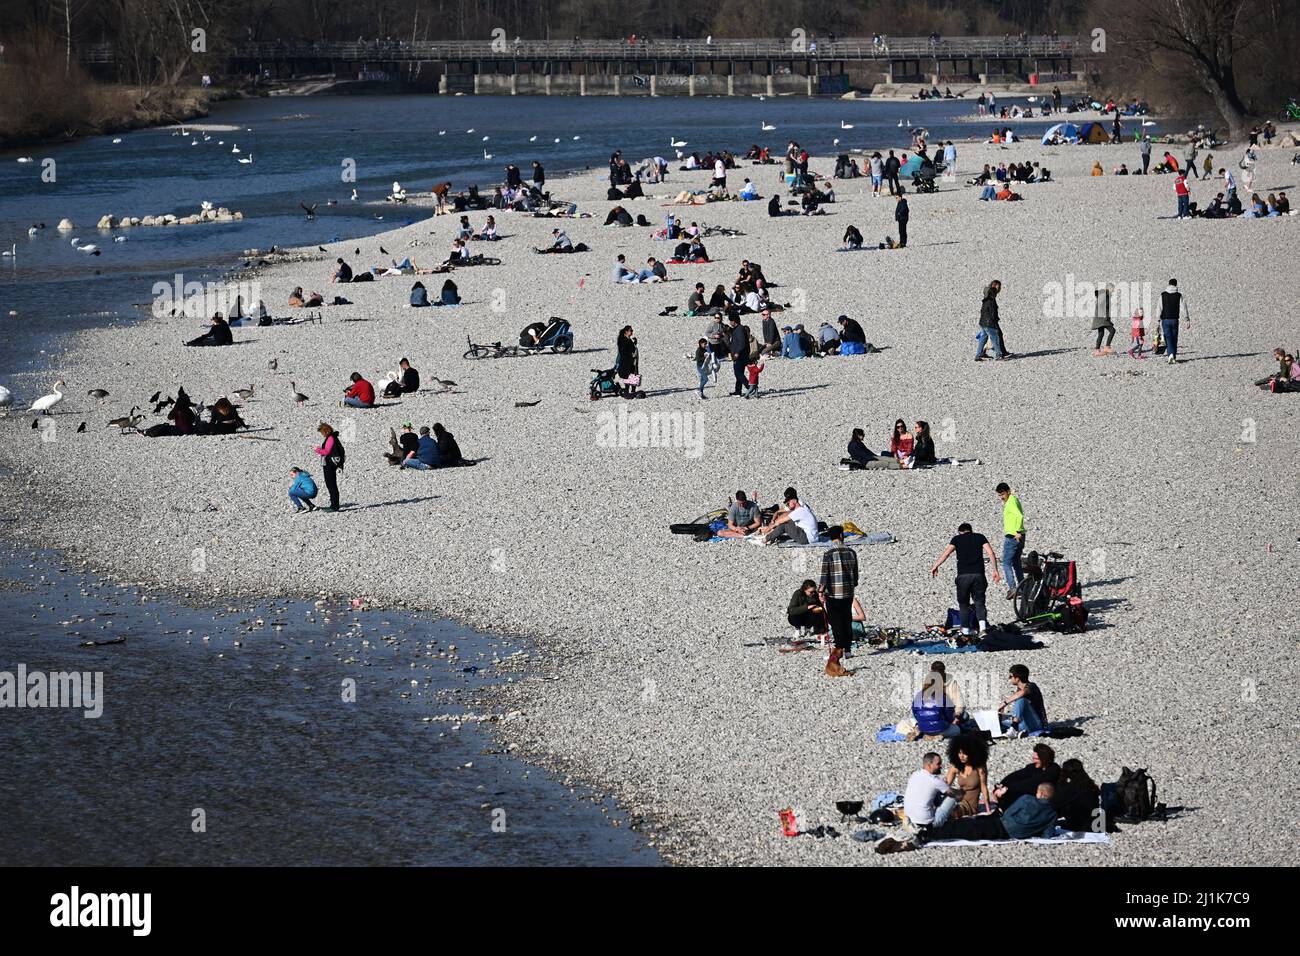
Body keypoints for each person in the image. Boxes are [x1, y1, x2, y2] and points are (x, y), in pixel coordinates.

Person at [912, 782, 1058, 846]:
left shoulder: (1027, 799)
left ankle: (930, 834)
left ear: (1040, 793)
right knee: (971, 827)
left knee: (969, 828)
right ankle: (932, 832)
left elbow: (1010, 812)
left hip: (1004, 826)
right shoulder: (1052, 814)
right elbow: (1048, 834)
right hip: (1012, 833)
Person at [930, 522, 1001, 639]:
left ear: (960, 532)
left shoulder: (956, 539)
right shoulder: (980, 537)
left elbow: (946, 553)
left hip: (963, 576)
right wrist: (995, 571)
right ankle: (983, 629)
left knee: (963, 604)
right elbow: (991, 553)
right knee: (979, 602)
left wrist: (936, 565)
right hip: (978, 575)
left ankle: (966, 631)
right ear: (971, 530)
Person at [818, 525, 858, 677]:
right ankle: (847, 650)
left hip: (833, 593)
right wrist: (852, 585)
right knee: (846, 618)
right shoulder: (851, 552)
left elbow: (824, 576)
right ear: (841, 535)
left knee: (836, 621)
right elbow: (855, 574)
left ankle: (840, 649)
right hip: (848, 592)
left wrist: (820, 591)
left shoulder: (828, 554)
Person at [933, 736, 991, 827]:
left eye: (965, 753)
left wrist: (988, 810)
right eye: (959, 753)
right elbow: (946, 785)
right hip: (957, 798)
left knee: (952, 812)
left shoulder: (979, 767)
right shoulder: (956, 767)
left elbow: (984, 788)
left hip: (969, 805)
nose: (961, 756)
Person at [903, 753, 952, 834]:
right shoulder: (935, 780)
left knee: (935, 792)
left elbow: (927, 788)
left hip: (909, 819)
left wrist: (941, 785)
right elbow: (954, 794)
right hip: (927, 824)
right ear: (929, 765)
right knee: (953, 798)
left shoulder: (915, 775)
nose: (941, 766)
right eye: (938, 764)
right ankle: (952, 817)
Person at [755, 487, 819, 546]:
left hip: (808, 538)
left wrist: (768, 528)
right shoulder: (801, 509)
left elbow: (781, 520)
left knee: (784, 525)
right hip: (811, 536)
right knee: (785, 522)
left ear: (794, 501)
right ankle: (770, 535)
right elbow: (780, 516)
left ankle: (764, 540)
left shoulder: (800, 511)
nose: (787, 505)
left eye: (788, 503)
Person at [999, 663, 1047, 737]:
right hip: (1025, 724)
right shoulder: (1019, 690)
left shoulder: (1031, 686)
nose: (1009, 678)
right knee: (1000, 723)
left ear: (1017, 678)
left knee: (1021, 699)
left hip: (1036, 725)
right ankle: (1017, 731)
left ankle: (1014, 729)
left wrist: (1004, 703)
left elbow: (1022, 693)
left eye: (1011, 676)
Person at [1053, 758, 1102, 831]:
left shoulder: (1072, 787)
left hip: (1082, 825)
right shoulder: (1089, 784)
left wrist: (1061, 782)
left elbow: (1056, 802)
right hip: (1096, 823)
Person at [996, 481, 1025, 597]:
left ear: (1008, 491)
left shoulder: (1012, 501)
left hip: (1013, 536)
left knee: (1006, 563)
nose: (1001, 497)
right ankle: (1022, 587)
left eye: (1003, 494)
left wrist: (1017, 531)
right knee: (1016, 562)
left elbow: (1019, 516)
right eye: (999, 495)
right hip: (1018, 535)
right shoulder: (1013, 500)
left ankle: (1012, 588)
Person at [912, 669, 959, 736]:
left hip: (923, 728)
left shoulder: (919, 695)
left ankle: (922, 732)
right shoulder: (943, 696)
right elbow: (949, 715)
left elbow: (915, 713)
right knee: (956, 729)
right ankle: (938, 735)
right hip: (940, 729)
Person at [1159, 278, 1190, 364]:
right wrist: (1187, 319)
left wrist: (1157, 319)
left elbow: (1159, 308)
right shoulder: (1179, 295)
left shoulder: (1163, 295)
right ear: (1176, 285)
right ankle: (1173, 356)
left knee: (1168, 337)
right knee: (1174, 338)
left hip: (1165, 320)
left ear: (1168, 284)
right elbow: (1184, 307)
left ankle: (1170, 355)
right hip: (1175, 320)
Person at [314, 423, 343, 511]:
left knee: (331, 485)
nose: (322, 434)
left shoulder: (330, 438)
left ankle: (334, 506)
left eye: (322, 432)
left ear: (325, 431)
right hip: (329, 464)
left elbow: (326, 452)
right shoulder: (332, 437)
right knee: (331, 484)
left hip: (330, 465)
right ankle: (333, 505)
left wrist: (317, 450)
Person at [974, 280, 1006, 361]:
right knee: (995, 338)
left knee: (983, 339)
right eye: (997, 288)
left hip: (983, 322)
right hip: (989, 323)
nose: (998, 291)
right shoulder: (991, 299)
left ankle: (979, 355)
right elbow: (992, 313)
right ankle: (999, 355)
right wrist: (994, 323)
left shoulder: (986, 298)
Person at [728, 314, 750, 396]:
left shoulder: (739, 329)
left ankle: (749, 387)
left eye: (731, 321)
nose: (730, 322)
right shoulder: (737, 329)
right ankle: (738, 390)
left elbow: (742, 343)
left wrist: (737, 352)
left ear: (734, 321)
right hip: (740, 354)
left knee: (738, 373)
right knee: (739, 373)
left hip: (740, 355)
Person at [1090, 282, 1115, 355]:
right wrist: (1104, 313)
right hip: (1102, 318)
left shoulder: (1104, 294)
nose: (1113, 291)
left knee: (1101, 333)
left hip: (1100, 318)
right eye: (1112, 289)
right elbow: (1100, 304)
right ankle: (1107, 347)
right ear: (1108, 288)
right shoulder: (1104, 295)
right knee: (1112, 330)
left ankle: (1097, 350)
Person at [616, 325, 639, 399]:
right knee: (627, 376)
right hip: (625, 361)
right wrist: (630, 354)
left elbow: (632, 348)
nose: (632, 332)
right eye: (631, 331)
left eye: (632, 331)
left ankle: (633, 390)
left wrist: (634, 343)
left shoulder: (628, 339)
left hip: (631, 361)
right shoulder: (622, 339)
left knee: (633, 374)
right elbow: (622, 350)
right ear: (626, 332)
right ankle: (626, 391)